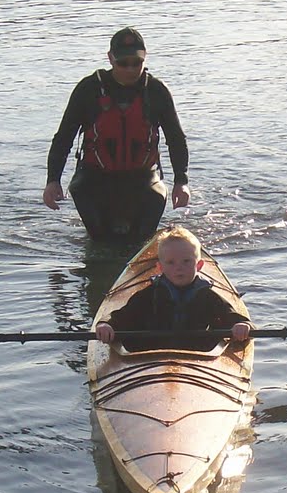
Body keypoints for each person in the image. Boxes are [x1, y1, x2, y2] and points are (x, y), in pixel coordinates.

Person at [43, 27, 192, 241]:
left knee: (141, 236)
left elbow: (176, 139)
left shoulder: (156, 92)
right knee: (101, 240)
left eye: (136, 63)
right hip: (94, 178)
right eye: (123, 63)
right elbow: (64, 137)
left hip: (143, 178)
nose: (131, 69)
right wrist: (53, 180)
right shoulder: (89, 89)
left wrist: (181, 181)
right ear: (111, 58)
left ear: (145, 58)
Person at [95, 227, 251, 353]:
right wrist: (106, 324)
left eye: (186, 261)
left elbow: (232, 316)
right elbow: (122, 316)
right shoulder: (149, 295)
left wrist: (242, 325)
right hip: (152, 356)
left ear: (199, 266)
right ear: (160, 268)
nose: (179, 268)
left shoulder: (208, 296)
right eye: (171, 263)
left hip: (195, 356)